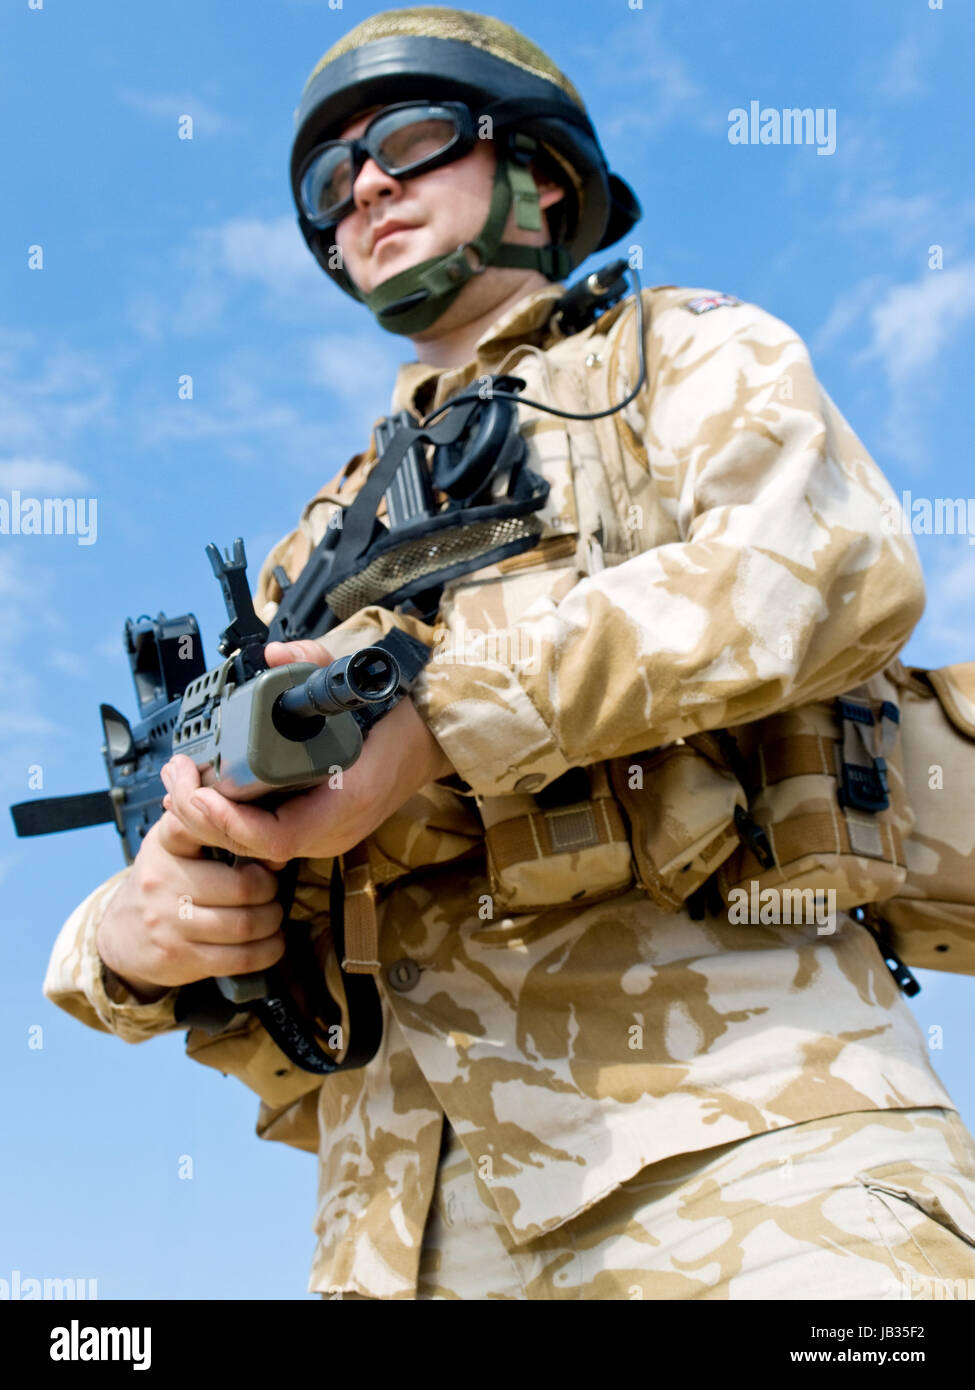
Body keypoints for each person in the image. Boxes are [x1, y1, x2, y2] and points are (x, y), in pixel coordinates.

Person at [43, 8, 975, 1301]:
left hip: (744, 1155)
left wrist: (444, 709)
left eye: (410, 141)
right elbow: (213, 885)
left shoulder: (670, 356)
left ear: (539, 177)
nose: (363, 188)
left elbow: (824, 569)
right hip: (400, 1237)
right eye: (331, 181)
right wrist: (134, 938)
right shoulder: (310, 548)